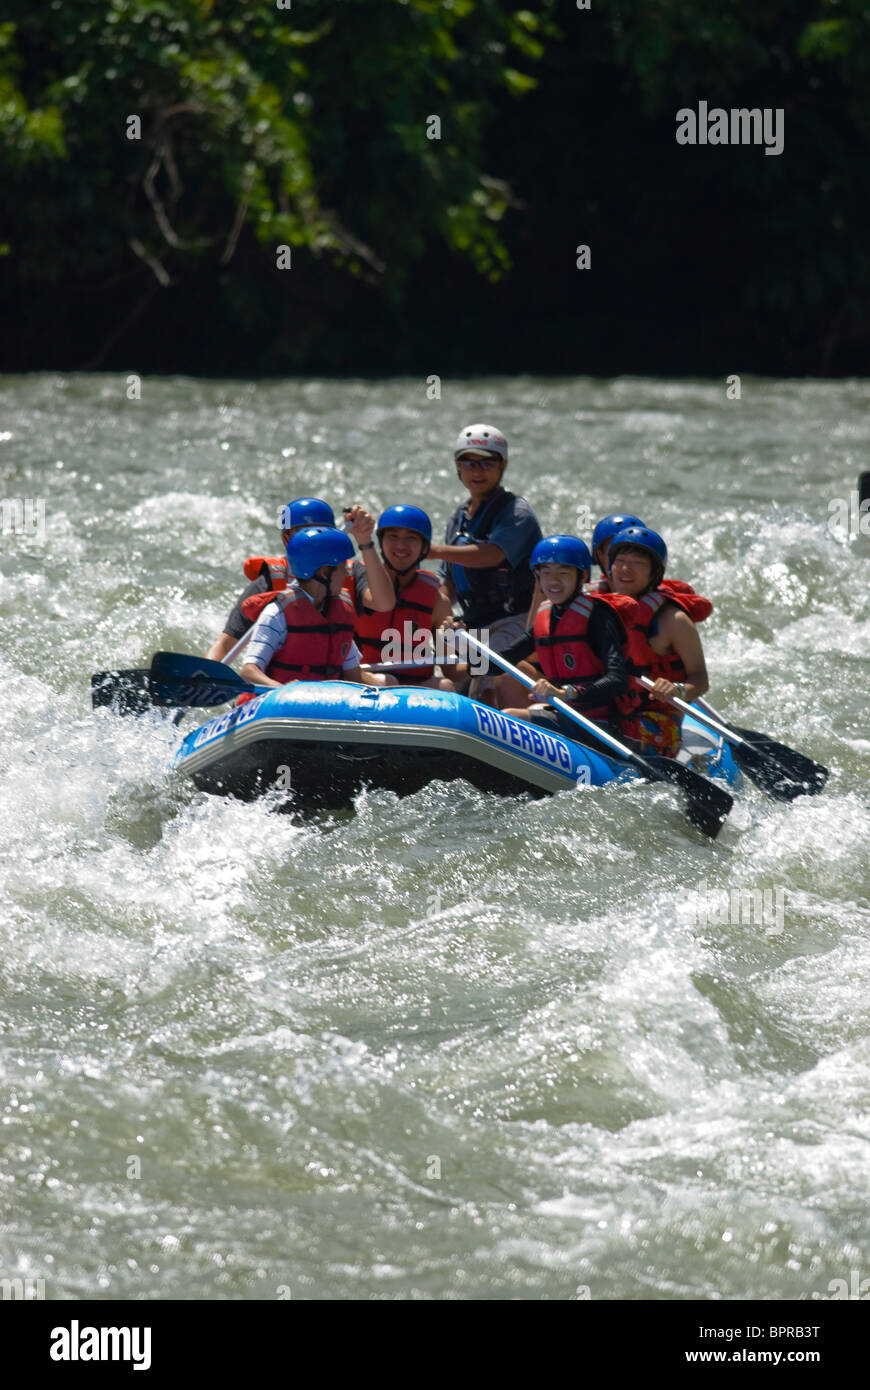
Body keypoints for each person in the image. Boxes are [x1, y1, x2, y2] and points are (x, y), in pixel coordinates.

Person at [426, 423, 542, 702]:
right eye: (469, 462)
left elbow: (491, 555)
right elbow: (450, 582)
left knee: (485, 676)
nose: (477, 471)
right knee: (432, 664)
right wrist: (440, 614)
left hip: (515, 621)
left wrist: (435, 550)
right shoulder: (458, 517)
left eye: (487, 463)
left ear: (503, 466)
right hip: (474, 624)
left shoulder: (517, 513)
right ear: (458, 466)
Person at [206, 497, 392, 661]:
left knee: (387, 681)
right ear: (286, 540)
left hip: (338, 679)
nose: (311, 539)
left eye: (318, 532)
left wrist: (365, 541)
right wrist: (202, 678)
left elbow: (383, 603)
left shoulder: (347, 571)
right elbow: (225, 644)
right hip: (282, 683)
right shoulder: (272, 578)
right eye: (302, 533)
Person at [497, 535, 628, 743]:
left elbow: (617, 680)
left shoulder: (599, 617)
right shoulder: (548, 615)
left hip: (599, 725)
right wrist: (455, 638)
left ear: (582, 576)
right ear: (537, 578)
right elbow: (502, 660)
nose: (554, 581)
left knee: (510, 718)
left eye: (563, 573)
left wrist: (568, 693)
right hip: (566, 712)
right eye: (546, 573)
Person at [597, 525, 711, 757]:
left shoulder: (673, 621)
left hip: (655, 723)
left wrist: (676, 689)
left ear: (654, 573)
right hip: (603, 710)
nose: (626, 569)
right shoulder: (595, 607)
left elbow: (701, 680)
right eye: (620, 561)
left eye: (638, 563)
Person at [238, 527, 388, 699]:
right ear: (324, 572)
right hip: (277, 706)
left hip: (321, 704)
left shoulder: (340, 613)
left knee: (388, 680)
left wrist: (393, 691)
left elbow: (355, 677)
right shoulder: (277, 614)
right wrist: (285, 691)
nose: (347, 573)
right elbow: (249, 671)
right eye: (341, 567)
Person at [351, 505, 457, 689]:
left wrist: (479, 661)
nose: (401, 546)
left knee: (445, 685)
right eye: (393, 537)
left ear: (424, 548)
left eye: (411, 538)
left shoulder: (438, 602)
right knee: (387, 682)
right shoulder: (360, 586)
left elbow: (452, 669)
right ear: (381, 542)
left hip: (414, 690)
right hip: (365, 682)